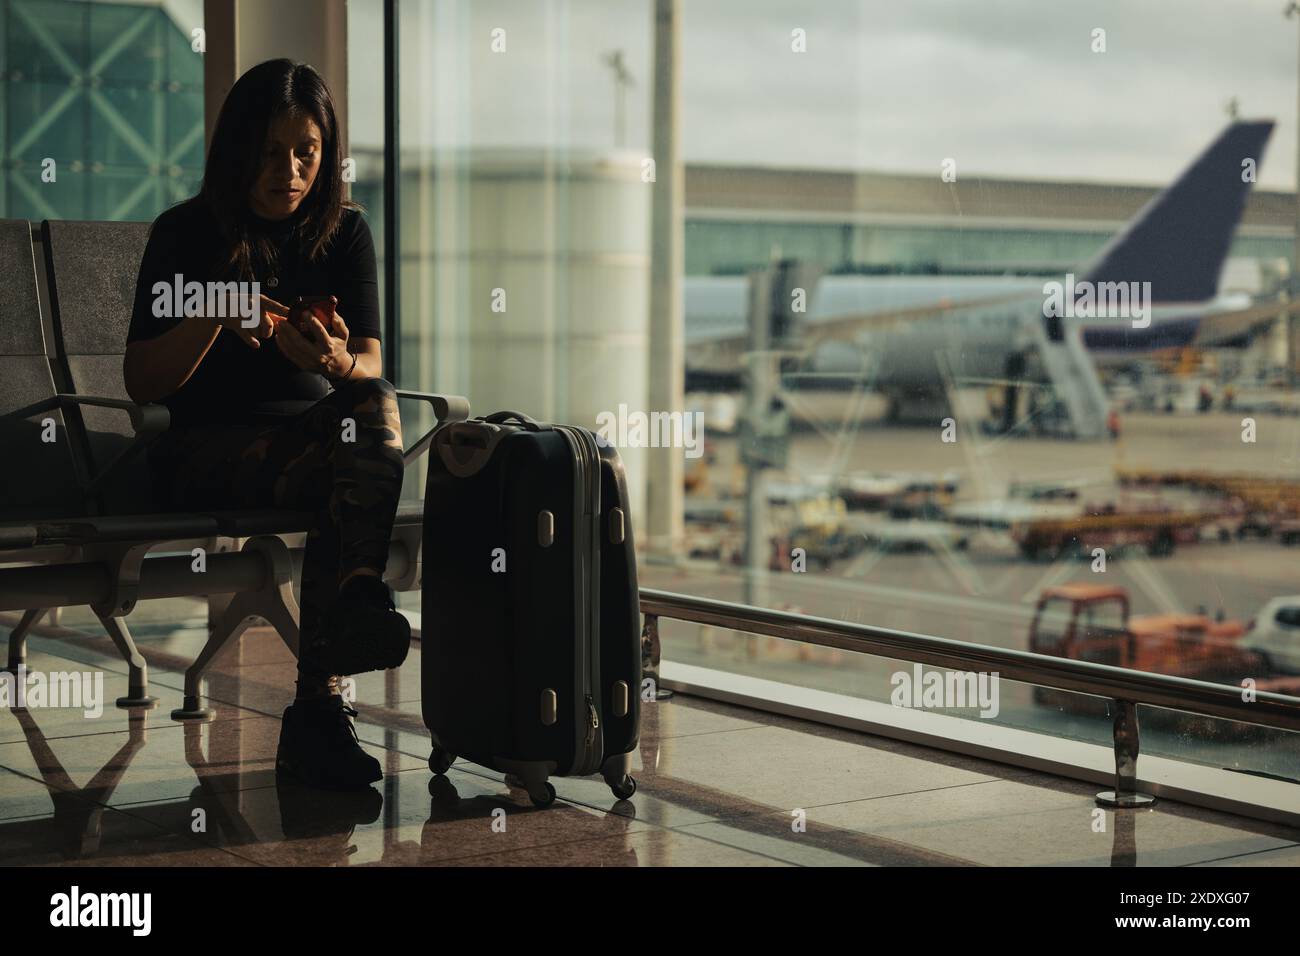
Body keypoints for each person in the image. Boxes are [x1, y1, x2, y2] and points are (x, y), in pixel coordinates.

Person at [123, 59, 408, 791]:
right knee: (348, 483)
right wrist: (214, 311)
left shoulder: (344, 234)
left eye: (306, 152)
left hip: (311, 440)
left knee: (371, 406)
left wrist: (337, 359)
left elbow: (371, 364)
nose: (289, 170)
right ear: (239, 150)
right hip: (194, 447)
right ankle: (323, 702)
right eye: (272, 151)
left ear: (326, 152)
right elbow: (142, 383)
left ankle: (354, 607)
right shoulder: (184, 234)